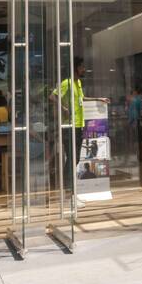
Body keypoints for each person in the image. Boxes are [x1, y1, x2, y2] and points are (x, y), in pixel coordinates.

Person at [53, 58, 88, 205]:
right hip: (69, 126)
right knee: (72, 158)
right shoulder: (66, 82)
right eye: (82, 67)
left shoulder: (78, 83)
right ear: (76, 68)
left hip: (78, 125)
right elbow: (53, 96)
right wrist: (64, 109)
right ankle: (69, 194)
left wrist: (99, 99)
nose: (84, 69)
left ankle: (70, 193)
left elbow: (82, 99)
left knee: (75, 159)